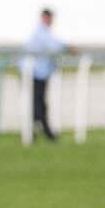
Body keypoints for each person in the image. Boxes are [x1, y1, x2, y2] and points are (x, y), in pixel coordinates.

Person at [22, 8, 76, 141]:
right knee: (37, 104)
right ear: (44, 18)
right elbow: (54, 45)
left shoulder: (44, 32)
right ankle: (43, 133)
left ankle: (39, 132)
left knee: (39, 104)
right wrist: (69, 48)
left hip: (40, 73)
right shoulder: (40, 32)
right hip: (34, 72)